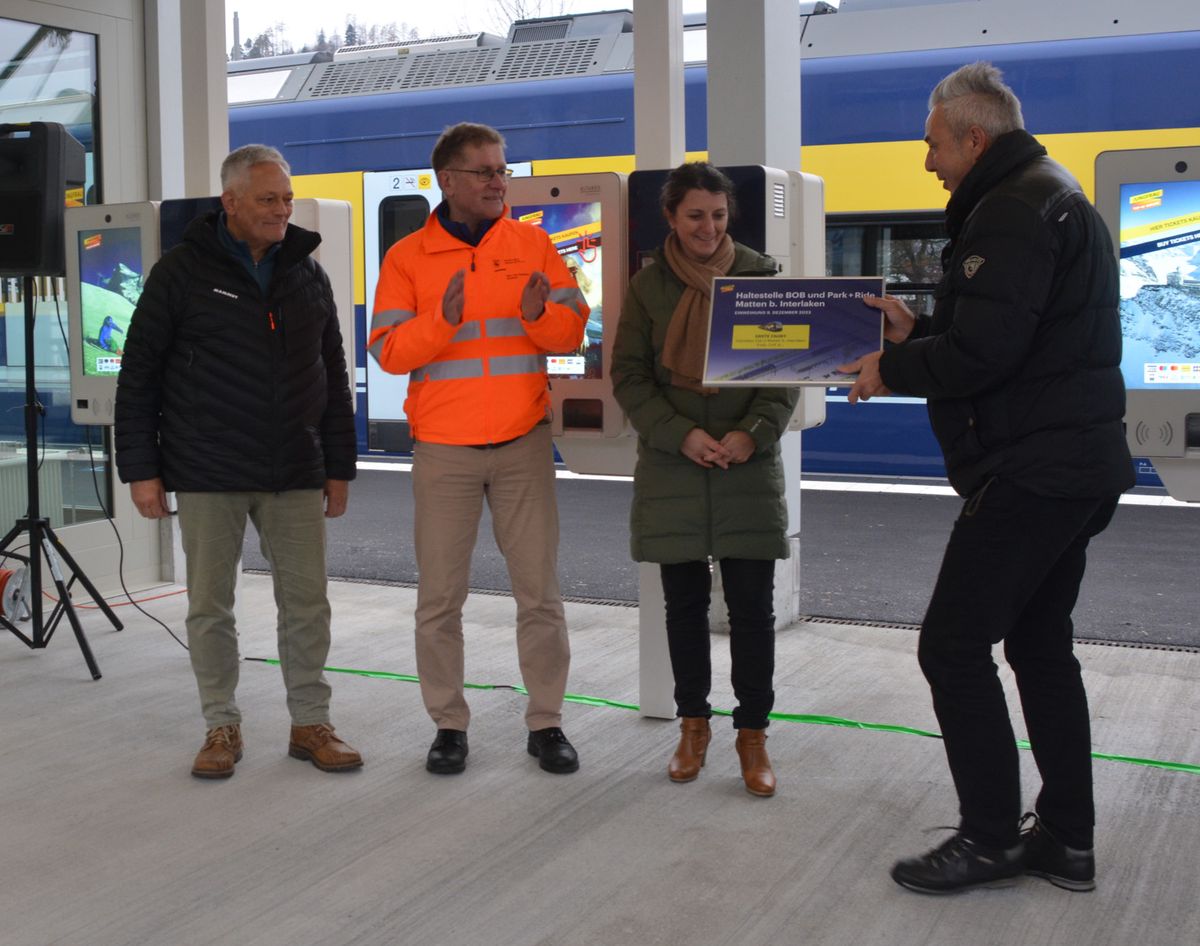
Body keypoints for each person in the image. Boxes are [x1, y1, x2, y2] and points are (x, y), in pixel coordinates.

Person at [840, 63, 1134, 893]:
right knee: (1041, 646)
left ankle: (992, 837)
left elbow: (986, 354)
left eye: (933, 143)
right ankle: (1067, 840)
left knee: (953, 646)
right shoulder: (1049, 192)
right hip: (1075, 463)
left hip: (1034, 468)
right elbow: (1016, 337)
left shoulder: (1008, 209)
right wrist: (918, 324)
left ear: (975, 138)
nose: (926, 160)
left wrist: (893, 365)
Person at [115, 144, 361, 780]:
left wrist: (339, 466)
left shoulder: (308, 273)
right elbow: (138, 374)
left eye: (286, 198)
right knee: (210, 606)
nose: (283, 210)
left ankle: (311, 723)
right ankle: (220, 724)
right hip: (206, 468)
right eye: (268, 199)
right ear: (230, 202)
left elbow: (332, 375)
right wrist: (142, 469)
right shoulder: (180, 273)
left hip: (295, 470)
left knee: (308, 604)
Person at [369, 122, 588, 776]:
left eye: (502, 170)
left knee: (540, 595)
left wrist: (535, 315)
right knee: (439, 599)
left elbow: (571, 328)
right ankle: (448, 725)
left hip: (522, 446)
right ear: (448, 180)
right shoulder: (409, 257)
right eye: (485, 172)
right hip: (444, 451)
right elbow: (387, 351)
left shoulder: (534, 243)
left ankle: (546, 723)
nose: (499, 182)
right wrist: (445, 318)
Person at [612, 162, 798, 798]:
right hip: (674, 464)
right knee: (684, 611)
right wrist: (680, 434)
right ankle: (694, 727)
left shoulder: (762, 276)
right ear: (671, 217)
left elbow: (783, 371)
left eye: (718, 215)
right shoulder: (648, 287)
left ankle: (753, 737)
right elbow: (630, 376)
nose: (707, 227)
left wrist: (754, 433)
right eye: (695, 215)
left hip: (747, 464)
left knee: (752, 613)